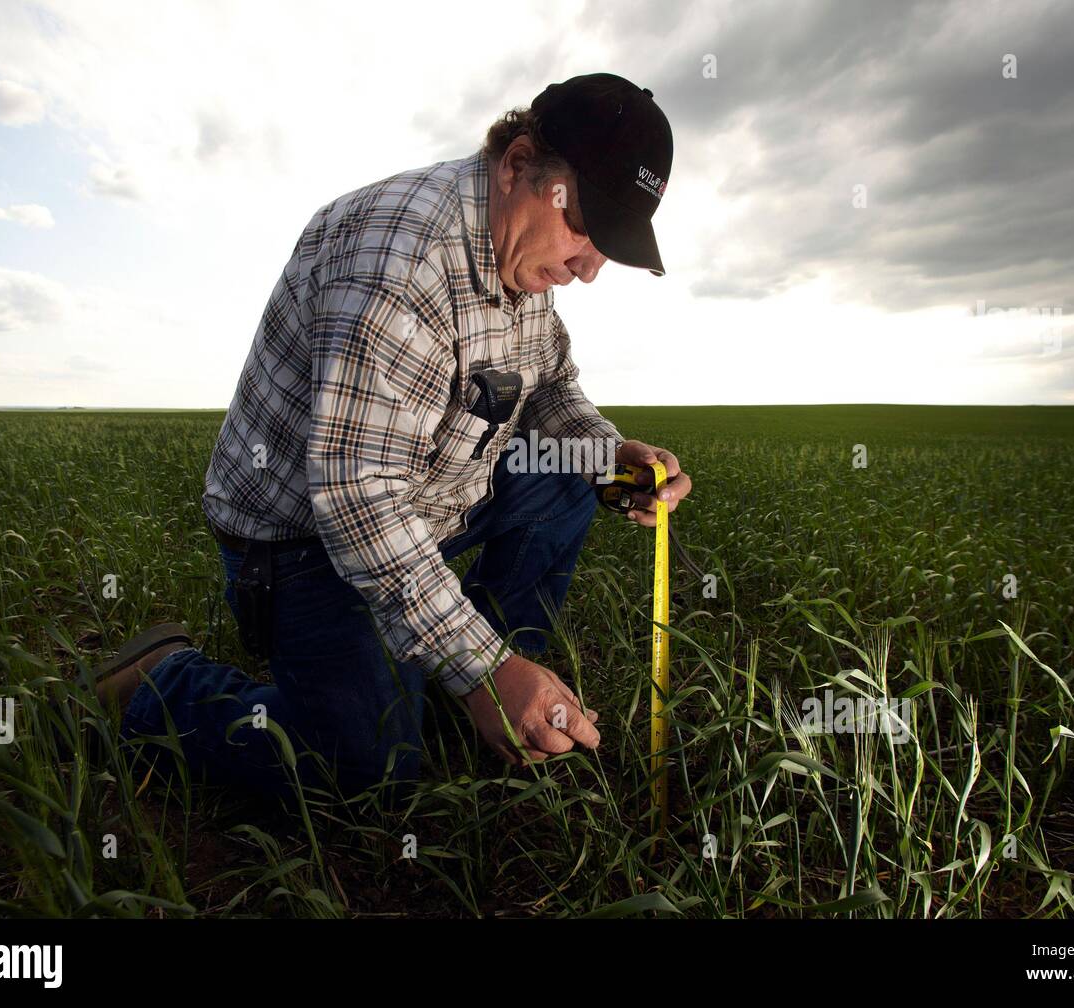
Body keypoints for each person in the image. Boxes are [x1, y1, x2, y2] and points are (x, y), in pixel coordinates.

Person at [92, 72, 693, 805]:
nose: (589, 269)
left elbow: (551, 390)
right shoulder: (399, 261)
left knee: (568, 469)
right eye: (587, 225)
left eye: (610, 245)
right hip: (304, 540)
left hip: (431, 496)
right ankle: (163, 683)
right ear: (518, 164)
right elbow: (355, 501)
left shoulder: (521, 265)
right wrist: (483, 670)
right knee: (364, 772)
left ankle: (479, 681)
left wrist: (609, 454)